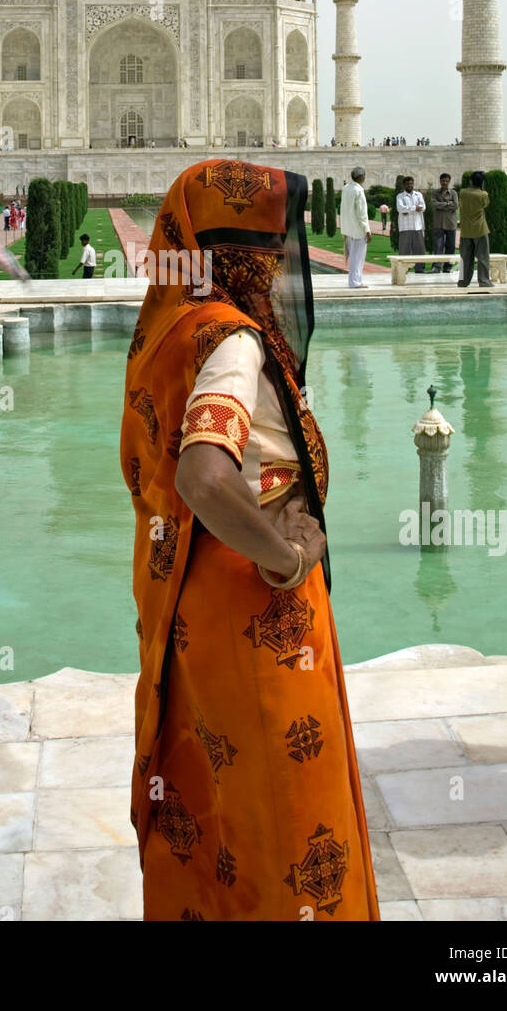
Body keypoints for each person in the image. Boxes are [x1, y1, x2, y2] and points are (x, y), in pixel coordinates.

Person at [121, 159, 379, 921]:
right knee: (288, 802)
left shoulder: (172, 322)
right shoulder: (229, 340)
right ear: (239, 252)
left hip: (198, 601)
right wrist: (287, 554)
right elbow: (204, 476)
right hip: (254, 607)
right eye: (271, 243)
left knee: (223, 793)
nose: (280, 261)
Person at [458, 170, 493, 289]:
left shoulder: (462, 192)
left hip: (466, 230)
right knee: (483, 257)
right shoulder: (483, 195)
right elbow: (485, 205)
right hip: (480, 229)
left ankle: (462, 282)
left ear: (470, 181)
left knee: (465, 258)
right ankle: (484, 281)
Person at [340, 165, 371, 289]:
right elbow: (361, 213)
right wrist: (367, 230)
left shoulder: (346, 188)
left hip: (348, 228)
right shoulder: (358, 191)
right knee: (357, 257)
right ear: (361, 176)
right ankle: (355, 282)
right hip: (358, 230)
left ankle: (356, 280)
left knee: (354, 255)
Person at [396, 176, 426, 273]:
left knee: (419, 250)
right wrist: (414, 208)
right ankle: (404, 270)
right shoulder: (400, 196)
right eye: (407, 184)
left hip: (417, 226)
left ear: (413, 184)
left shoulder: (418, 195)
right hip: (405, 227)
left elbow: (423, 207)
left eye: (411, 183)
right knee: (404, 250)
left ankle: (419, 268)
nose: (409, 185)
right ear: (404, 185)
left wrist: (407, 210)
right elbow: (400, 209)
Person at [429, 173, 459, 273]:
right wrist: (447, 204)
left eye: (447, 181)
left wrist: (441, 205)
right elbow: (434, 204)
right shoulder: (435, 193)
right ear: (440, 181)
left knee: (450, 246)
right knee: (438, 246)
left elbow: (455, 206)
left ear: (449, 181)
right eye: (443, 181)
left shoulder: (453, 193)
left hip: (450, 223)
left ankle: (448, 267)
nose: (445, 183)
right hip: (439, 223)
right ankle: (437, 267)